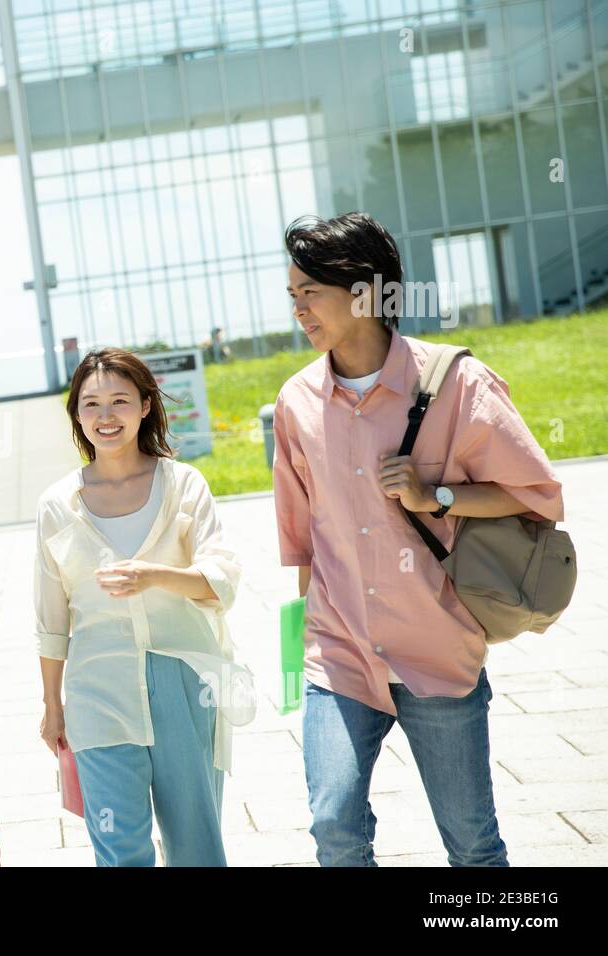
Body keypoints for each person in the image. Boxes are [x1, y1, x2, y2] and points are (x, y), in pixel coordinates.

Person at [272, 212, 564, 867]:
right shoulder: (295, 403)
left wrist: (437, 497)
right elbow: (302, 544)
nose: (298, 310)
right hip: (339, 653)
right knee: (334, 829)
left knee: (472, 846)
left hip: (437, 651)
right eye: (292, 295)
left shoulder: (457, 383)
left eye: (310, 292)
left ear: (366, 293)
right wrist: (302, 658)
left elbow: (534, 495)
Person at [34, 347, 249, 867]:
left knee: (196, 846)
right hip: (97, 689)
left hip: (183, 680)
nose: (105, 417)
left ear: (147, 405)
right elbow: (51, 619)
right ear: (76, 414)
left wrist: (153, 575)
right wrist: (52, 704)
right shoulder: (57, 505)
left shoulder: (183, 486)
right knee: (120, 849)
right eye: (91, 404)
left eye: (119, 401)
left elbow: (223, 579)